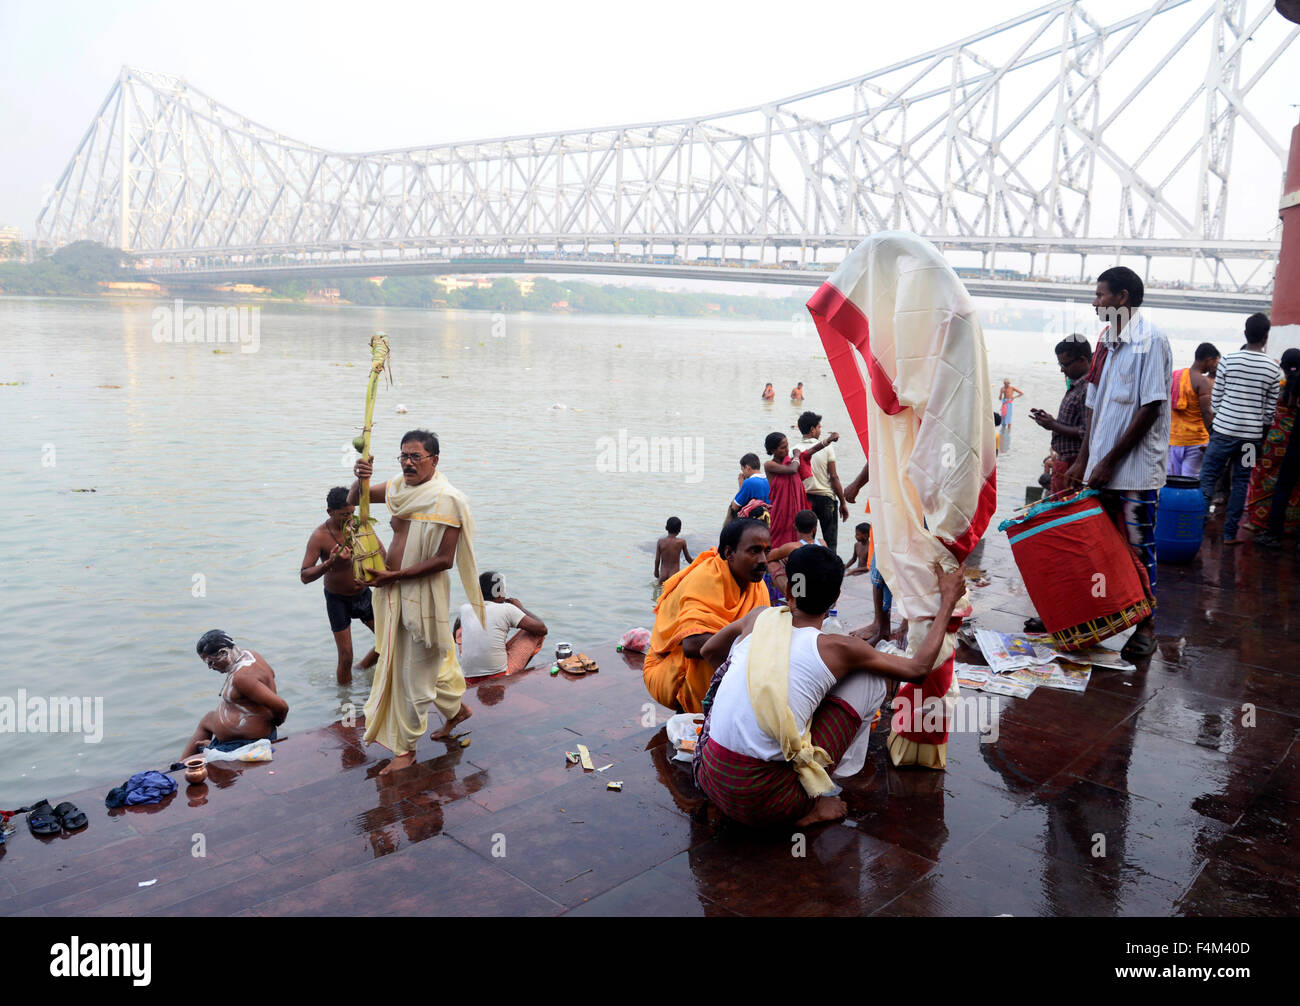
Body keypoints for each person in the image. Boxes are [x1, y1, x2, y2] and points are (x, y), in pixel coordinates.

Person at [693, 546, 967, 827]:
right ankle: (816, 798)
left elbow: (710, 651)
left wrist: (752, 686)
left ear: (789, 592)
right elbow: (919, 670)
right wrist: (946, 603)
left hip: (709, 776)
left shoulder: (758, 618)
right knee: (869, 677)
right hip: (769, 805)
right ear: (835, 598)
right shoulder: (840, 648)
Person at [350, 430, 485, 774]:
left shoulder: (447, 499)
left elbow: (444, 560)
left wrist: (394, 576)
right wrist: (360, 478)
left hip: (422, 595)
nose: (408, 463)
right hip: (390, 593)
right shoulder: (397, 488)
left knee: (413, 674)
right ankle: (457, 712)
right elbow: (355, 500)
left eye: (416, 457)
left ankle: (405, 751)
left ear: (434, 460)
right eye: (404, 456)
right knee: (418, 664)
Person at [1066, 266, 1171, 664]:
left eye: (1101, 295)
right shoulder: (1106, 339)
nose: (1095, 302)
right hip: (1102, 469)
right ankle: (1090, 621)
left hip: (1135, 472)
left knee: (1139, 550)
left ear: (1122, 298)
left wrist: (1108, 461)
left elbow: (1150, 407)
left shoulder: (1151, 340)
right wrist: (1084, 458)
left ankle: (1146, 628)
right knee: (1096, 548)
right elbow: (1092, 403)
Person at [642, 518, 771, 713]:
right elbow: (693, 645)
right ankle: (705, 712)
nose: (763, 560)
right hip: (669, 668)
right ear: (729, 553)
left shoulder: (757, 584)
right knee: (715, 651)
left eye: (766, 551)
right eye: (754, 551)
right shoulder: (706, 578)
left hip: (718, 666)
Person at [1199, 314, 1282, 544]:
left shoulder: (1228, 360)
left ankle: (1199, 524)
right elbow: (1269, 411)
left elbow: (1216, 399)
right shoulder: (1273, 369)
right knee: (1241, 482)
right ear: (1266, 337)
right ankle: (1229, 534)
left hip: (1223, 432)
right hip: (1251, 439)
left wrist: (1220, 420)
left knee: (1207, 477)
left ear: (1245, 334)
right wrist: (1259, 433)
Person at [300, 487, 379, 684]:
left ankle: (361, 669)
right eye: (344, 514)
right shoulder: (320, 536)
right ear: (330, 512)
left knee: (388, 641)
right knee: (345, 657)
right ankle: (345, 699)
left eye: (352, 512)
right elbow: (305, 575)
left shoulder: (360, 527)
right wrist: (329, 563)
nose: (350, 518)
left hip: (363, 594)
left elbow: (381, 555)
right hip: (337, 600)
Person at [181, 630, 288, 759]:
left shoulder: (242, 678)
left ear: (223, 653)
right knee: (208, 719)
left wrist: (275, 722)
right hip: (241, 736)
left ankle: (182, 765)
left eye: (211, 662)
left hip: (246, 744)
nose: (210, 667)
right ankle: (210, 749)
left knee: (184, 765)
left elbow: (281, 706)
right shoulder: (250, 654)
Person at [1248, 349, 1300, 549]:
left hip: (1273, 441)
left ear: (1282, 367)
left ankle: (1261, 524)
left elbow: (1264, 412)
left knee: (1262, 478)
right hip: (1293, 439)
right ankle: (1293, 527)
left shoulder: (1278, 387)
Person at [1029, 336, 1092, 495]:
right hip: (1064, 462)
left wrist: (1053, 425)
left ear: (1083, 360)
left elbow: (1086, 432)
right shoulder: (1076, 385)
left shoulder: (1087, 389)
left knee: (1065, 511)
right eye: (1060, 364)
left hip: (1074, 464)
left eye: (1065, 364)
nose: (1062, 369)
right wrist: (1050, 422)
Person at [457, 571, 548, 679]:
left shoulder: (464, 609)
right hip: (499, 676)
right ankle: (514, 677)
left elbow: (456, 635)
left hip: (468, 677)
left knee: (463, 631)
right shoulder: (507, 609)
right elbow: (542, 629)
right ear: (499, 592)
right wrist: (520, 608)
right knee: (535, 632)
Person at [763, 430, 832, 548]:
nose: (786, 449)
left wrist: (828, 440)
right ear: (773, 450)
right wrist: (796, 456)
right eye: (782, 448)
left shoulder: (792, 461)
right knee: (778, 540)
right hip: (780, 511)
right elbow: (792, 470)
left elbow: (811, 451)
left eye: (787, 446)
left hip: (796, 510)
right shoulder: (770, 465)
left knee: (798, 538)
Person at [796, 411, 850, 556]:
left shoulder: (793, 450)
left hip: (805, 499)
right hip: (826, 499)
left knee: (806, 541)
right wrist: (843, 502)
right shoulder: (827, 447)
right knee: (830, 542)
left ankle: (808, 571)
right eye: (819, 427)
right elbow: (833, 477)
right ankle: (831, 574)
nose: (820, 430)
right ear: (812, 429)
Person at [1167, 343, 1220, 478]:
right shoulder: (1203, 382)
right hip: (1196, 441)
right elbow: (1207, 413)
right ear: (1209, 360)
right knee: (1190, 481)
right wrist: (1214, 438)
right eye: (1215, 362)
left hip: (1173, 439)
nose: (1215, 366)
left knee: (1171, 480)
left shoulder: (1175, 375)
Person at [765, 509, 822, 596]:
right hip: (822, 591)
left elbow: (767, 557)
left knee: (771, 563)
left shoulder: (792, 547)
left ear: (795, 526)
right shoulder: (822, 543)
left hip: (800, 594)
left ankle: (780, 595)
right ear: (815, 529)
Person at [727, 453, 769, 523]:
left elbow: (735, 506)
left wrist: (741, 485)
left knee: (731, 508)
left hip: (757, 518)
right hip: (770, 514)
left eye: (742, 470)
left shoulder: (749, 482)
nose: (743, 473)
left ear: (747, 468)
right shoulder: (769, 478)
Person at [655, 517, 694, 583]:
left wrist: (656, 571)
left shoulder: (660, 542)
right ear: (679, 530)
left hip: (662, 575)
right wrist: (699, 561)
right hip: (674, 575)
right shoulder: (681, 542)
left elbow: (657, 560)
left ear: (666, 527)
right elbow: (688, 559)